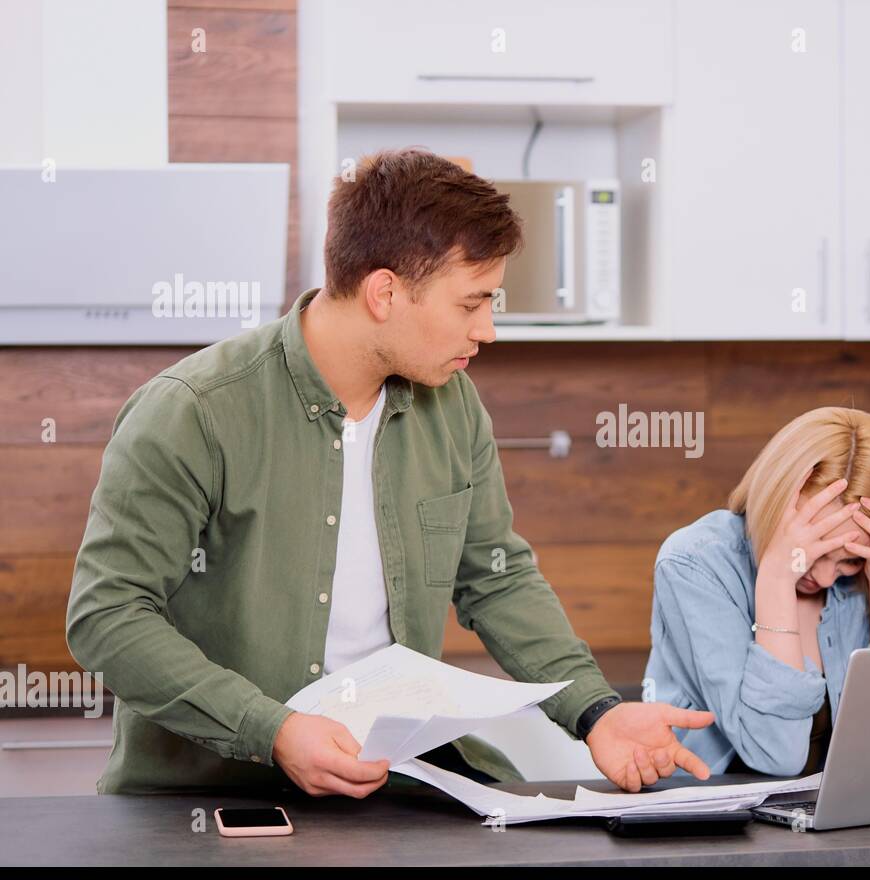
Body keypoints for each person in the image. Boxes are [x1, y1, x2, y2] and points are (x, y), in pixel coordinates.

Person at [66, 148, 713, 797]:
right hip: (215, 794)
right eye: (472, 303)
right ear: (385, 293)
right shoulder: (194, 412)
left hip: (396, 783)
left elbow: (497, 578)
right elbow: (108, 613)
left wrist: (596, 710)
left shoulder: (453, 406)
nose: (488, 329)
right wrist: (273, 729)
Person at [644, 406, 870, 778]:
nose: (821, 577)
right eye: (812, 552)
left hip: (840, 818)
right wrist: (776, 578)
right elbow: (778, 754)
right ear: (772, 502)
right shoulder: (695, 563)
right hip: (710, 819)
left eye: (847, 562)